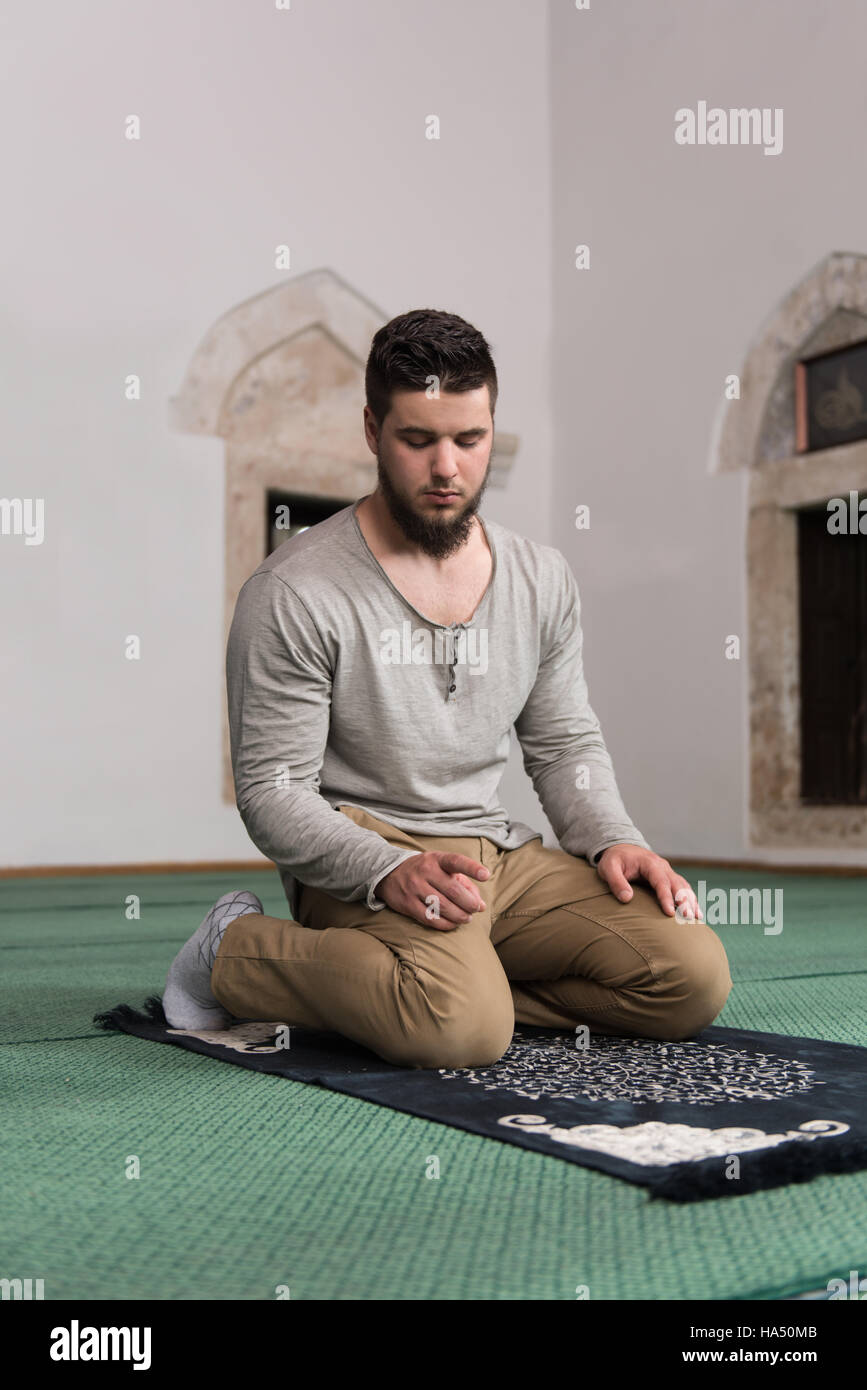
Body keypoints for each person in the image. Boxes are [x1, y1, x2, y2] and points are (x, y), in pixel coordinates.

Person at [163, 308, 732, 1067]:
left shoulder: (541, 577)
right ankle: (231, 952)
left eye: (470, 439)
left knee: (691, 976)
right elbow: (272, 791)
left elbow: (563, 743)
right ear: (372, 431)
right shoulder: (294, 590)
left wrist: (612, 837)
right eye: (418, 439)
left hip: (496, 858)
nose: (447, 469)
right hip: (362, 855)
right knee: (458, 1032)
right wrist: (385, 867)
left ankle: (456, 985)